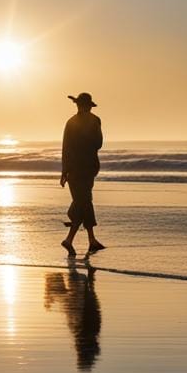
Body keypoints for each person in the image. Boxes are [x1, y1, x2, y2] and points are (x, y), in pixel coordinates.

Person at [60, 92, 105, 255]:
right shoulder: (90, 121)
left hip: (84, 169)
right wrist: (64, 171)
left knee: (83, 202)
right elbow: (97, 144)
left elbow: (97, 144)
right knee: (84, 202)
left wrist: (64, 170)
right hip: (81, 168)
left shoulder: (80, 122)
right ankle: (82, 240)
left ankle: (80, 239)